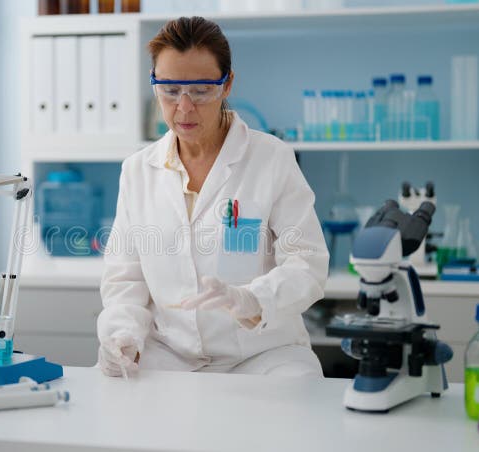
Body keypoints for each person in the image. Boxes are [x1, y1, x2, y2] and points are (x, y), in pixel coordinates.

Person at [97, 16, 329, 378]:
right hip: (171, 355)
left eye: (201, 90)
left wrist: (253, 300)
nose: (184, 107)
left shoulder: (272, 159)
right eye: (170, 91)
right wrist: (123, 335)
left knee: (296, 399)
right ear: (153, 85)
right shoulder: (138, 170)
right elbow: (126, 279)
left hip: (263, 354)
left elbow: (308, 261)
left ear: (227, 84)